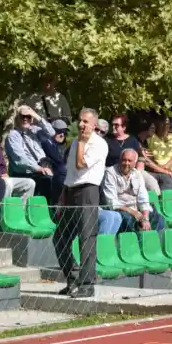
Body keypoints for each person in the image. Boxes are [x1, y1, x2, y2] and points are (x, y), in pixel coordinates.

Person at [53, 108, 108, 299]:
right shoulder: (76, 142)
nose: (82, 125)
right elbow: (71, 171)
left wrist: (83, 143)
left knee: (86, 239)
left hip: (87, 192)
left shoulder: (99, 144)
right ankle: (73, 278)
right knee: (60, 238)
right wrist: (63, 194)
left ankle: (87, 285)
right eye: (80, 121)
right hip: (70, 191)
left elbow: (81, 164)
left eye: (86, 121)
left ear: (94, 125)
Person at [102, 149, 164, 233]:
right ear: (120, 160)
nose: (126, 163)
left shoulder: (137, 174)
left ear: (135, 163)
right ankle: (133, 243)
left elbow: (143, 197)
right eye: (124, 160)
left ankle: (149, 241)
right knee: (127, 219)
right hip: (120, 209)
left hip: (136, 207)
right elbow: (111, 201)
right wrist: (133, 212)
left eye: (129, 161)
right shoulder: (110, 173)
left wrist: (145, 218)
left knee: (158, 218)